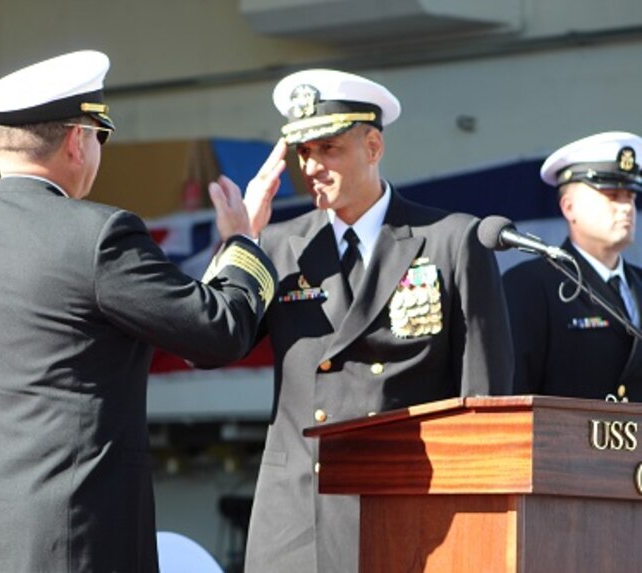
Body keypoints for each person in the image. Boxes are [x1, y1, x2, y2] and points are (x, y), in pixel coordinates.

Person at [0, 50, 278, 573]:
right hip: (75, 543)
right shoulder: (101, 238)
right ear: (77, 140)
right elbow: (219, 332)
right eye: (98, 136)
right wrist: (243, 242)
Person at [211, 69, 514, 572]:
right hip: (297, 516)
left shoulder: (451, 239)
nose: (312, 166)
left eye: (329, 148)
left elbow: (482, 402)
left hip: (407, 505)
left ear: (373, 147)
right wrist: (240, 240)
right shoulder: (280, 244)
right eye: (304, 152)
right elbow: (213, 342)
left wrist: (477, 522)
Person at [503, 131, 642, 401]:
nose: (626, 207)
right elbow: (514, 397)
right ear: (569, 208)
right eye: (612, 195)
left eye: (631, 196)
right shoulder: (530, 285)